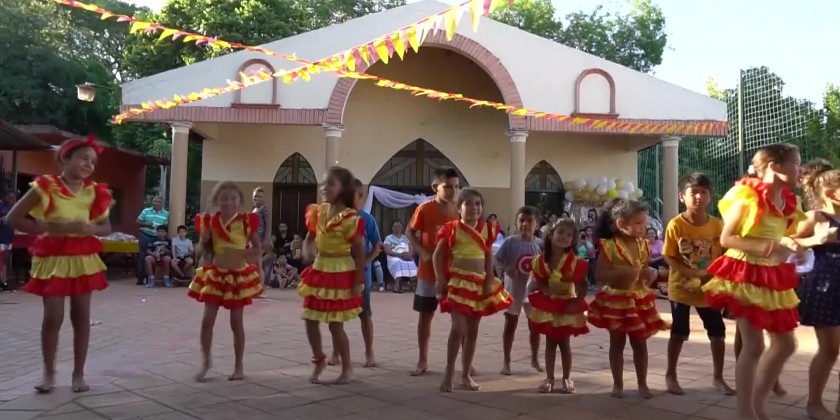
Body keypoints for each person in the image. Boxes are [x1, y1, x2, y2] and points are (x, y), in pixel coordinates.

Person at [702, 144, 805, 420]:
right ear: (774, 167)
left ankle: (758, 403)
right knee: (755, 345)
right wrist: (772, 247)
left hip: (773, 275)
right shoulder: (748, 197)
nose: (800, 168)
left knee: (786, 344)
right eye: (795, 163)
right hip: (744, 272)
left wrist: (803, 245)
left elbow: (791, 237)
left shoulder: (788, 201)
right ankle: (746, 411)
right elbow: (727, 238)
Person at [6, 135, 112, 393]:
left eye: (93, 161)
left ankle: (78, 373)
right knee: (53, 317)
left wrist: (89, 228)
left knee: (81, 317)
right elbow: (12, 218)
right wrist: (47, 227)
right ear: (65, 158)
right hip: (53, 258)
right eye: (83, 158)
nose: (89, 164)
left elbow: (107, 227)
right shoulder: (45, 186)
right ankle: (49, 372)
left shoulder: (94, 191)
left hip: (82, 260)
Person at [588, 198, 668, 399]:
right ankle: (618, 383)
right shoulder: (609, 246)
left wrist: (648, 274)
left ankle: (642, 383)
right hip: (616, 300)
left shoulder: (644, 246)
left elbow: (644, 271)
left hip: (638, 300)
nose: (644, 227)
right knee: (617, 343)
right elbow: (599, 275)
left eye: (644, 223)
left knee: (640, 343)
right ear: (621, 225)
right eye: (638, 223)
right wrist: (622, 272)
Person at [661, 173, 734, 396]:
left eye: (704, 192)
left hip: (709, 288)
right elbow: (669, 257)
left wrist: (716, 274)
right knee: (679, 332)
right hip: (681, 289)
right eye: (694, 192)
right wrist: (691, 272)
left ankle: (718, 377)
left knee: (717, 331)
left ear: (710, 196)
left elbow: (725, 253)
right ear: (683, 196)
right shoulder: (675, 225)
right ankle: (670, 375)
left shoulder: (717, 225)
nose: (699, 197)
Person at [435, 188, 512, 392]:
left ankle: (466, 374)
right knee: (458, 328)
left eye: (477, 204)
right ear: (459, 208)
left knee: (473, 331)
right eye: (468, 204)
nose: (474, 208)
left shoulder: (486, 229)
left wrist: (489, 279)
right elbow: (437, 255)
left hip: (478, 284)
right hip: (459, 283)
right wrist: (440, 278)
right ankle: (449, 371)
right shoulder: (452, 228)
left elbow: (488, 256)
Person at [188, 182, 263, 382]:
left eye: (232, 198)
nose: (228, 202)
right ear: (216, 201)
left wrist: (245, 254)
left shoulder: (246, 222)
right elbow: (202, 249)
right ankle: (206, 361)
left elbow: (259, 249)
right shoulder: (210, 221)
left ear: (239, 200)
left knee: (236, 323)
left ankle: (239, 366)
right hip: (216, 276)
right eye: (223, 198)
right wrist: (203, 240)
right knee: (207, 322)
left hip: (237, 276)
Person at [298, 167, 365, 385]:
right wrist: (308, 250)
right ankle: (319, 359)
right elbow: (310, 237)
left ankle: (347, 368)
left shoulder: (350, 218)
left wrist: (358, 282)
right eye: (323, 184)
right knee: (309, 318)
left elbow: (359, 253)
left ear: (343, 188)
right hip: (320, 268)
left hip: (340, 270)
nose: (325, 188)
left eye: (331, 184)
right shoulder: (318, 211)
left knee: (335, 324)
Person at [790, 159, 840, 419]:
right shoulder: (815, 217)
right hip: (826, 287)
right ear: (832, 193)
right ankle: (814, 403)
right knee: (830, 348)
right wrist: (816, 240)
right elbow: (790, 243)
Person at [406, 167, 460, 376]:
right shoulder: (425, 209)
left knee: (460, 317)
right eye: (448, 187)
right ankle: (422, 359)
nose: (453, 191)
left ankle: (464, 360)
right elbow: (411, 231)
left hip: (456, 273)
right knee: (425, 316)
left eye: (456, 187)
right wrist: (421, 251)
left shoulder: (460, 210)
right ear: (435, 187)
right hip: (428, 273)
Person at [529, 219, 589, 394]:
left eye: (569, 235)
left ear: (573, 240)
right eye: (560, 233)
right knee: (549, 342)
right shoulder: (540, 260)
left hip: (567, 304)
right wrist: (544, 288)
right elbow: (539, 281)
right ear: (551, 234)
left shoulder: (574, 261)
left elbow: (583, 284)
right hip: (549, 304)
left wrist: (577, 302)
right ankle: (549, 377)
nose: (564, 237)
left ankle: (566, 377)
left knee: (564, 343)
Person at [329, 179, 381, 368]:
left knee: (364, 314)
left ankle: (369, 351)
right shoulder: (335, 219)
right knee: (336, 316)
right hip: (338, 274)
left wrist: (366, 261)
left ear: (362, 197)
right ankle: (336, 351)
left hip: (361, 276)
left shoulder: (367, 220)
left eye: (357, 195)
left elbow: (377, 245)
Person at [495, 205, 543, 375]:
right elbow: (497, 260)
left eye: (530, 221)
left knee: (535, 327)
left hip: (532, 292)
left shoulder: (540, 244)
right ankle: (506, 361)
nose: (525, 224)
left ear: (536, 224)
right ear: (517, 222)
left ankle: (535, 359)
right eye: (522, 220)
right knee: (510, 325)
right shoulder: (510, 242)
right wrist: (507, 268)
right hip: (513, 290)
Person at [136, 196, 169, 285]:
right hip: (145, 235)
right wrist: (145, 223)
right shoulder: (146, 211)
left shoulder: (166, 214)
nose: (155, 203)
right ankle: (140, 279)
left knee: (154, 257)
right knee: (142, 257)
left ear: (161, 203)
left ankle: (149, 278)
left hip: (156, 239)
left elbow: (166, 226)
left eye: (157, 202)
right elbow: (138, 221)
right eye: (154, 201)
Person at [383, 219, 417, 293]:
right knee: (398, 262)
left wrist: (409, 254)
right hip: (393, 256)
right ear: (392, 228)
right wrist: (399, 255)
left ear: (401, 227)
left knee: (412, 263)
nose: (397, 228)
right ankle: (397, 286)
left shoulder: (405, 238)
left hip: (405, 256)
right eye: (395, 226)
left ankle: (415, 285)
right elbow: (387, 250)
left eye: (398, 226)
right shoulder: (388, 238)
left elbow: (411, 249)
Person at [0, 190, 15, 292]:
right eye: (10, 198)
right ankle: (3, 282)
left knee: (5, 261)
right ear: (5, 197)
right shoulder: (1, 207)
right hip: (1, 237)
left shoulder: (13, 208)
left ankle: (4, 282)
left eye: (13, 198)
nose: (12, 200)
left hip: (8, 237)